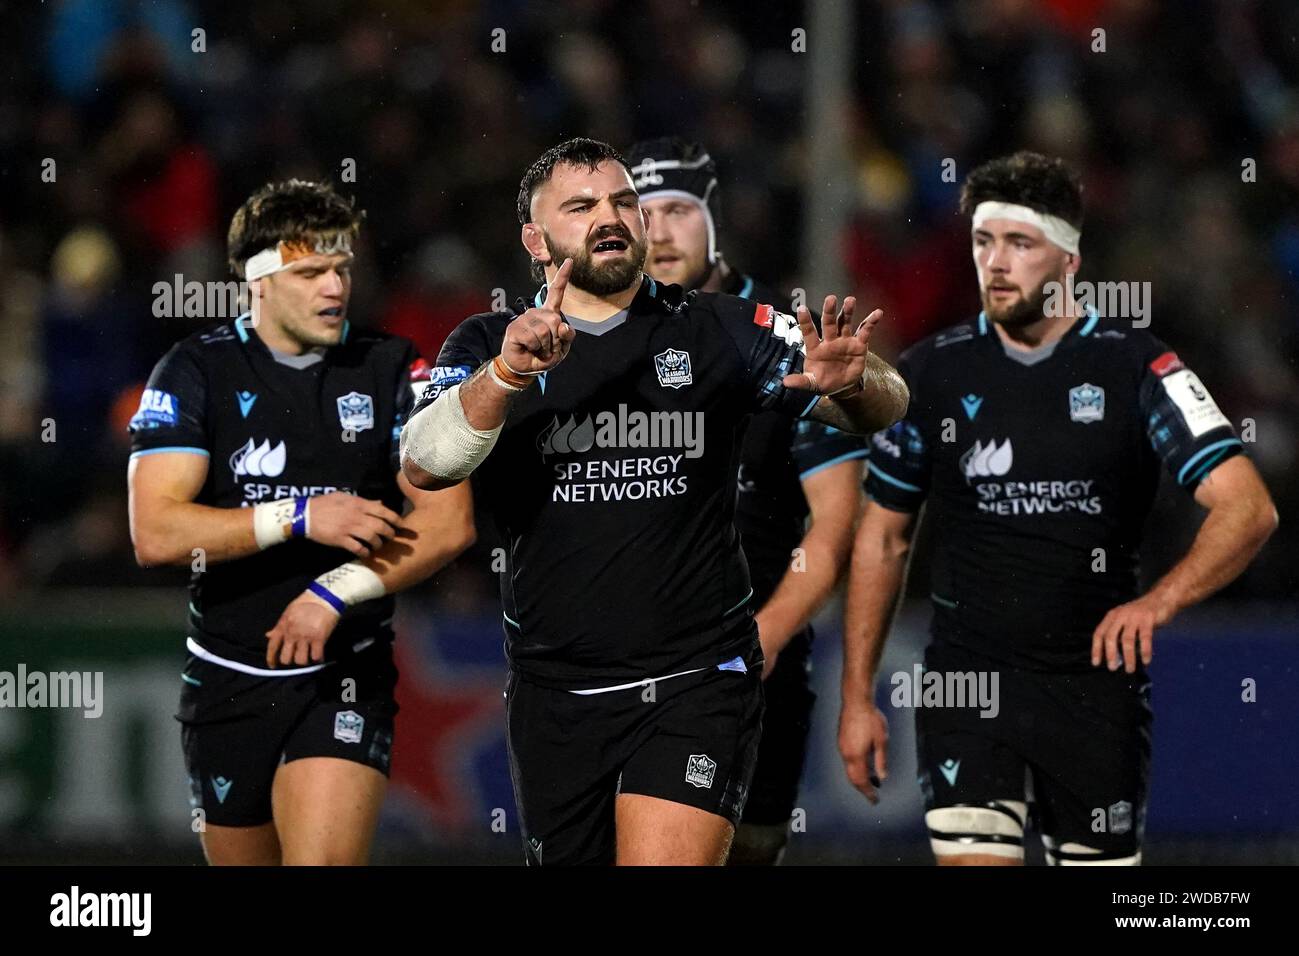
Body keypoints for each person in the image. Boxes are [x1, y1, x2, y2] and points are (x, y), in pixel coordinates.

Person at [401, 137, 908, 865]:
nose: (610, 217)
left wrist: (854, 383)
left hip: (694, 683)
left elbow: (889, 402)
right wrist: (507, 374)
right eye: (581, 207)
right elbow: (423, 464)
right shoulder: (487, 341)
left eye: (622, 203)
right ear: (534, 239)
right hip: (556, 697)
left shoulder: (723, 326)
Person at [840, 151, 1277, 865]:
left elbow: (1247, 507)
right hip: (965, 689)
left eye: (1021, 243)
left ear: (1069, 259)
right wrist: (857, 696)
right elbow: (882, 539)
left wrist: (1159, 602)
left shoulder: (1138, 366)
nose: (997, 263)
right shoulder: (929, 373)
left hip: (1092, 693)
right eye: (984, 242)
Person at [127, 179, 475, 865]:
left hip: (343, 674)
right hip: (225, 677)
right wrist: (295, 517)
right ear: (257, 281)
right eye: (310, 271)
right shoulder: (195, 371)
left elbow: (448, 525)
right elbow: (155, 533)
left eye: (342, 268)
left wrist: (332, 593)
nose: (334, 287)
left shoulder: (392, 368)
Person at [627, 137, 867, 865]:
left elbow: (834, 527)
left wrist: (758, 642)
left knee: (751, 850)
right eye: (642, 216)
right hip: (631, 667)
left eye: (678, 211)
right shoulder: (605, 337)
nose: (660, 233)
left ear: (714, 221)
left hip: (759, 671)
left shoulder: (785, 337)